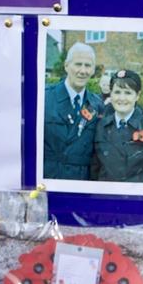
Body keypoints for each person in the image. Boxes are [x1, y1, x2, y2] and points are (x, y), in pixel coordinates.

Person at [41, 39, 101, 180]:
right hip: (49, 178)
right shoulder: (44, 97)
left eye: (88, 65)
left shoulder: (97, 105)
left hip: (80, 182)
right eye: (78, 64)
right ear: (66, 66)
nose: (82, 71)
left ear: (93, 70)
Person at [90, 69, 143, 185]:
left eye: (128, 93)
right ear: (111, 94)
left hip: (137, 198)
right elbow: (94, 169)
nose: (122, 98)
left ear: (137, 96)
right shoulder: (100, 127)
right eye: (117, 92)